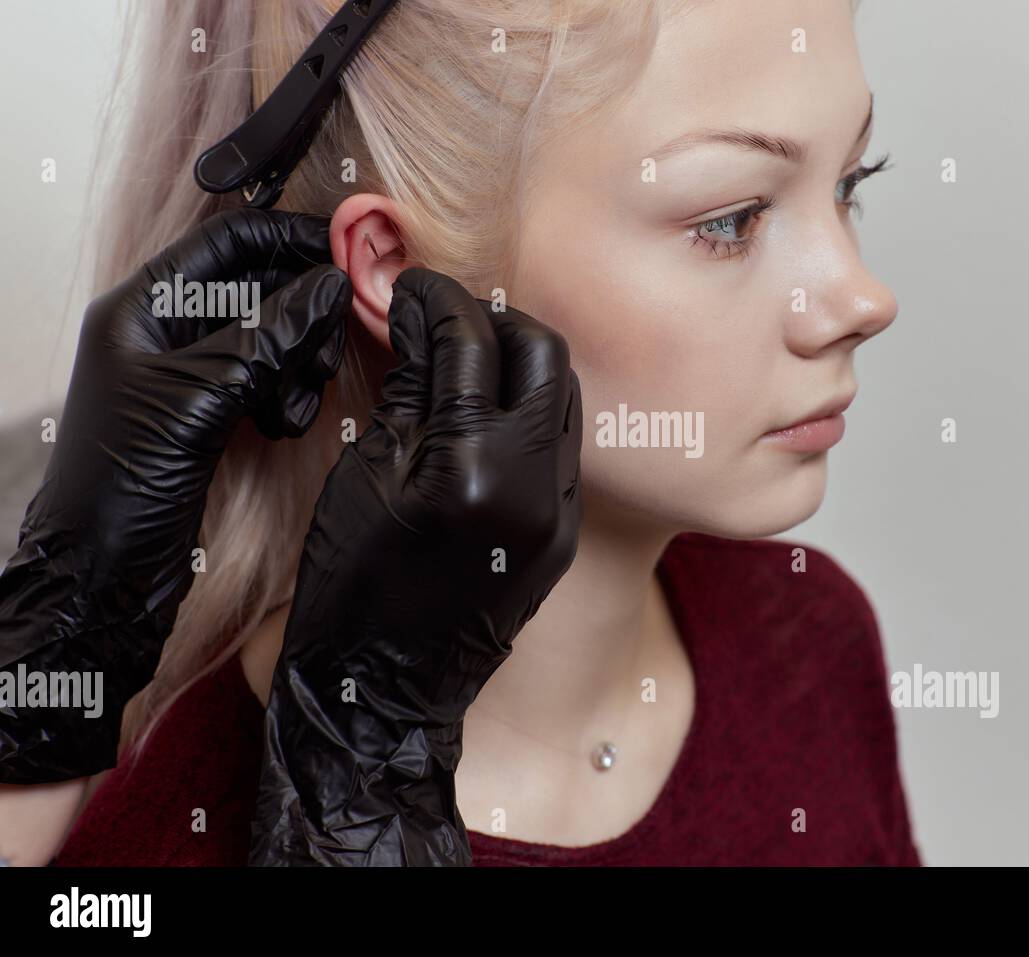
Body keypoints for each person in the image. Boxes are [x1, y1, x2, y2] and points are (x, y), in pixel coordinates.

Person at [1, 0, 919, 866]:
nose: (863, 298)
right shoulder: (196, 793)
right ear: (398, 277)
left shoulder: (812, 640)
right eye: (732, 218)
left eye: (851, 184)